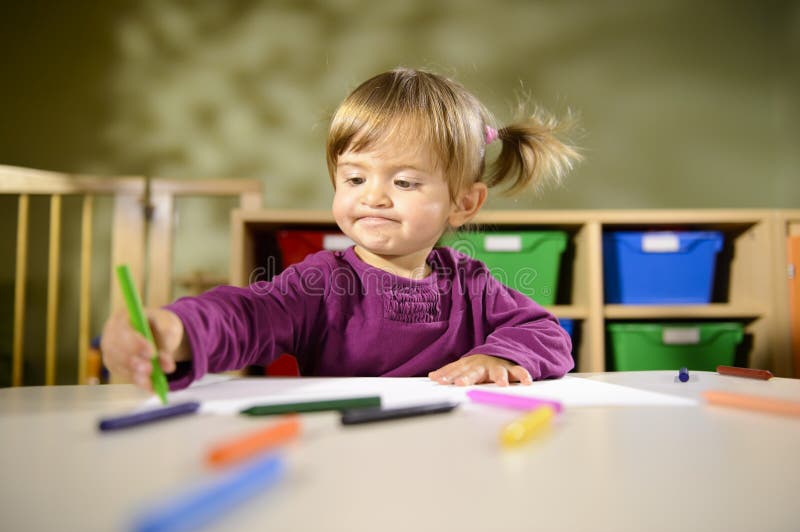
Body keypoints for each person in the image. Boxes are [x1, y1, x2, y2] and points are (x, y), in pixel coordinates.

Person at [101, 67, 582, 392]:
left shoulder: (472, 284)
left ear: (463, 203)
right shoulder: (321, 284)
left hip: (448, 458)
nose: (373, 196)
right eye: (355, 178)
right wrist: (178, 330)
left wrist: (498, 359)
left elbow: (546, 332)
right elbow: (249, 315)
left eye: (405, 181)